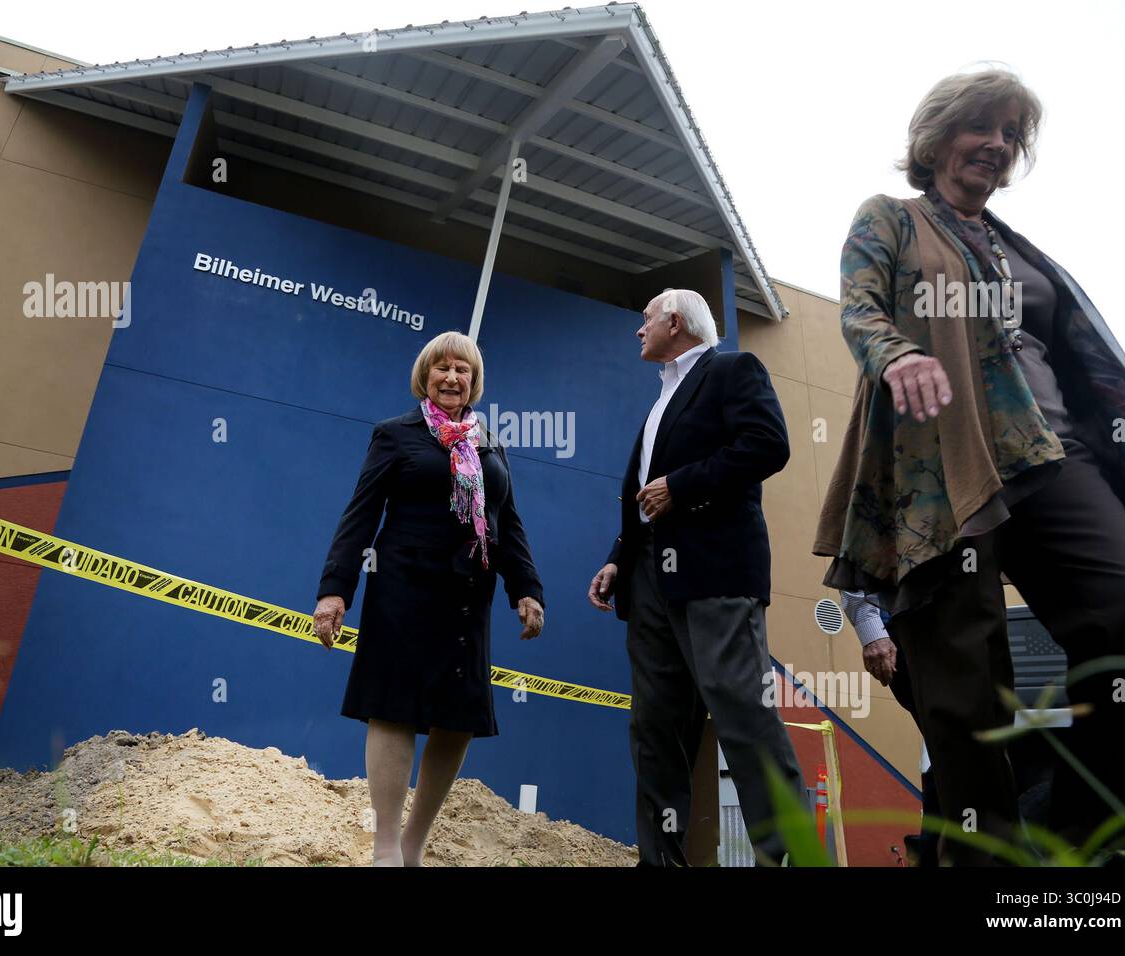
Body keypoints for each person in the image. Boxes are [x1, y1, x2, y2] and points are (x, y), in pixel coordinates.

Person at [815, 68, 1125, 864]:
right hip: (940, 466)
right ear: (938, 134)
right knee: (966, 684)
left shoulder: (1021, 251)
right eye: (984, 126)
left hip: (1054, 455)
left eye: (1012, 134)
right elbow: (860, 309)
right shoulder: (892, 218)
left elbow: (1096, 368)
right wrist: (896, 353)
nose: (999, 144)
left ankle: (1083, 837)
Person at [588, 288, 805, 866]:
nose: (639, 330)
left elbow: (768, 445)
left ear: (676, 322)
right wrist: (618, 556)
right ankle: (659, 862)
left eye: (646, 319)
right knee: (655, 727)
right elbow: (645, 494)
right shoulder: (660, 400)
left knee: (742, 712)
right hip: (648, 581)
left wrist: (682, 486)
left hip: (715, 573)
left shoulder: (732, 370)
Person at [312, 331, 545, 866]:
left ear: (474, 382)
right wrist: (334, 591)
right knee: (392, 710)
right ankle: (386, 848)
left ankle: (414, 846)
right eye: (442, 368)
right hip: (403, 590)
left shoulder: (490, 444)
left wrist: (526, 589)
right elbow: (360, 516)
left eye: (463, 370)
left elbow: (506, 523)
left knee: (457, 719)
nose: (452, 377)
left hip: (468, 598)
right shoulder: (395, 435)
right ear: (425, 376)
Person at [839, 589, 939, 866]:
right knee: (952, 752)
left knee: (959, 756)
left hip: (958, 628)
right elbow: (854, 565)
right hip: (911, 628)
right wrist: (871, 629)